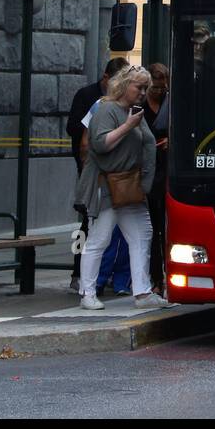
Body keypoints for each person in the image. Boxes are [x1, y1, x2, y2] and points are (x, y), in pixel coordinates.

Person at [74, 65, 167, 310]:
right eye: (139, 86)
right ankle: (88, 293)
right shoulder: (107, 109)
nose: (143, 92)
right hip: (109, 185)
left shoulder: (134, 111)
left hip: (130, 186)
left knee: (141, 235)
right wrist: (128, 126)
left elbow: (146, 143)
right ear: (125, 85)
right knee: (99, 238)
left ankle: (143, 293)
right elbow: (101, 144)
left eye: (145, 88)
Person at [65, 57, 129, 292]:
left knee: (109, 226)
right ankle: (81, 274)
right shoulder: (92, 98)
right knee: (89, 223)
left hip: (112, 171)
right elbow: (76, 131)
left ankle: (108, 277)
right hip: (94, 171)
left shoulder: (119, 102)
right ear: (106, 78)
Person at [144, 63, 170, 295]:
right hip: (147, 171)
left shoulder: (171, 103)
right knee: (151, 228)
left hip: (166, 168)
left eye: (162, 88)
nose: (159, 92)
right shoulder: (139, 105)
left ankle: (167, 276)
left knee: (165, 227)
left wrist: (172, 142)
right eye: (155, 87)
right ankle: (155, 278)